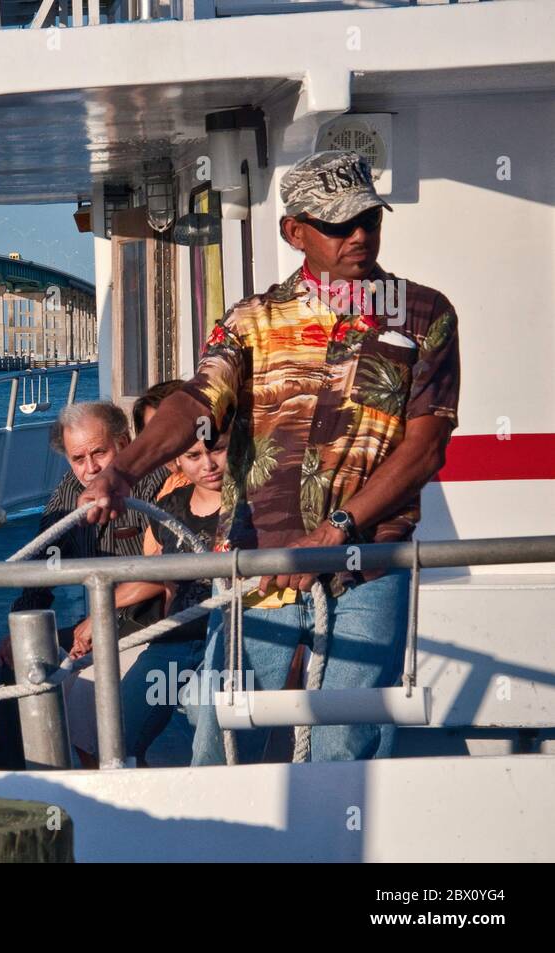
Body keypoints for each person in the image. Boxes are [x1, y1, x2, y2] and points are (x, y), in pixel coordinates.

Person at [78, 150, 460, 764]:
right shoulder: (251, 322)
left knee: (345, 745)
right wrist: (125, 468)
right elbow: (197, 404)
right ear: (295, 231)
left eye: (369, 219)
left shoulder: (425, 314)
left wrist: (337, 530)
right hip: (261, 561)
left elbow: (426, 446)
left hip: (372, 559)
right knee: (224, 737)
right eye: (338, 224)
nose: (359, 234)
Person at [0, 400, 169, 770]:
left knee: (82, 690)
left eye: (99, 453)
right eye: (78, 458)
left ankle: (108, 783)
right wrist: (21, 628)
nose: (90, 469)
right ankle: (18, 782)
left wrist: (97, 620)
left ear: (123, 441)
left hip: (153, 622)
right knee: (17, 660)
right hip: (103, 626)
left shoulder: (157, 481)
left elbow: (168, 568)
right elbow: (42, 563)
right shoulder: (70, 493)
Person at [64, 430, 228, 767]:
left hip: (230, 640)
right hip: (175, 641)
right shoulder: (169, 508)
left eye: (219, 451)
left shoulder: (253, 508)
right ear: (177, 462)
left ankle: (211, 808)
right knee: (115, 737)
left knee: (207, 719)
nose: (209, 464)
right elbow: (157, 573)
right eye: (194, 456)